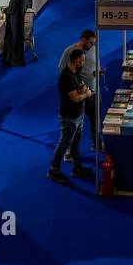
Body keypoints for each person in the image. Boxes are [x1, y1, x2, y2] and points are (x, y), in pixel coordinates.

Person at [48, 47, 92, 183]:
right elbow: (75, 98)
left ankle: (77, 167)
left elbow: (81, 86)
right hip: (70, 117)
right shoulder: (66, 77)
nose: (84, 63)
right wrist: (87, 93)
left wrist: (83, 89)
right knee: (64, 143)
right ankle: (53, 170)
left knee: (76, 142)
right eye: (83, 60)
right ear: (77, 60)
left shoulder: (76, 72)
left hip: (78, 115)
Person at [60, 30, 98, 151]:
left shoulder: (94, 50)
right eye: (91, 42)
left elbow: (96, 64)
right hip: (77, 95)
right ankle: (68, 151)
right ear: (83, 39)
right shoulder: (69, 51)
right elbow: (63, 72)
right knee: (73, 126)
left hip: (92, 91)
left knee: (95, 119)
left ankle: (97, 143)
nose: (92, 45)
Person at [0, 0, 27, 67]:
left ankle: (13, 60)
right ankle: (16, 60)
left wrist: (4, 10)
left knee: (13, 40)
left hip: (13, 24)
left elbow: (11, 10)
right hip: (18, 23)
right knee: (17, 41)